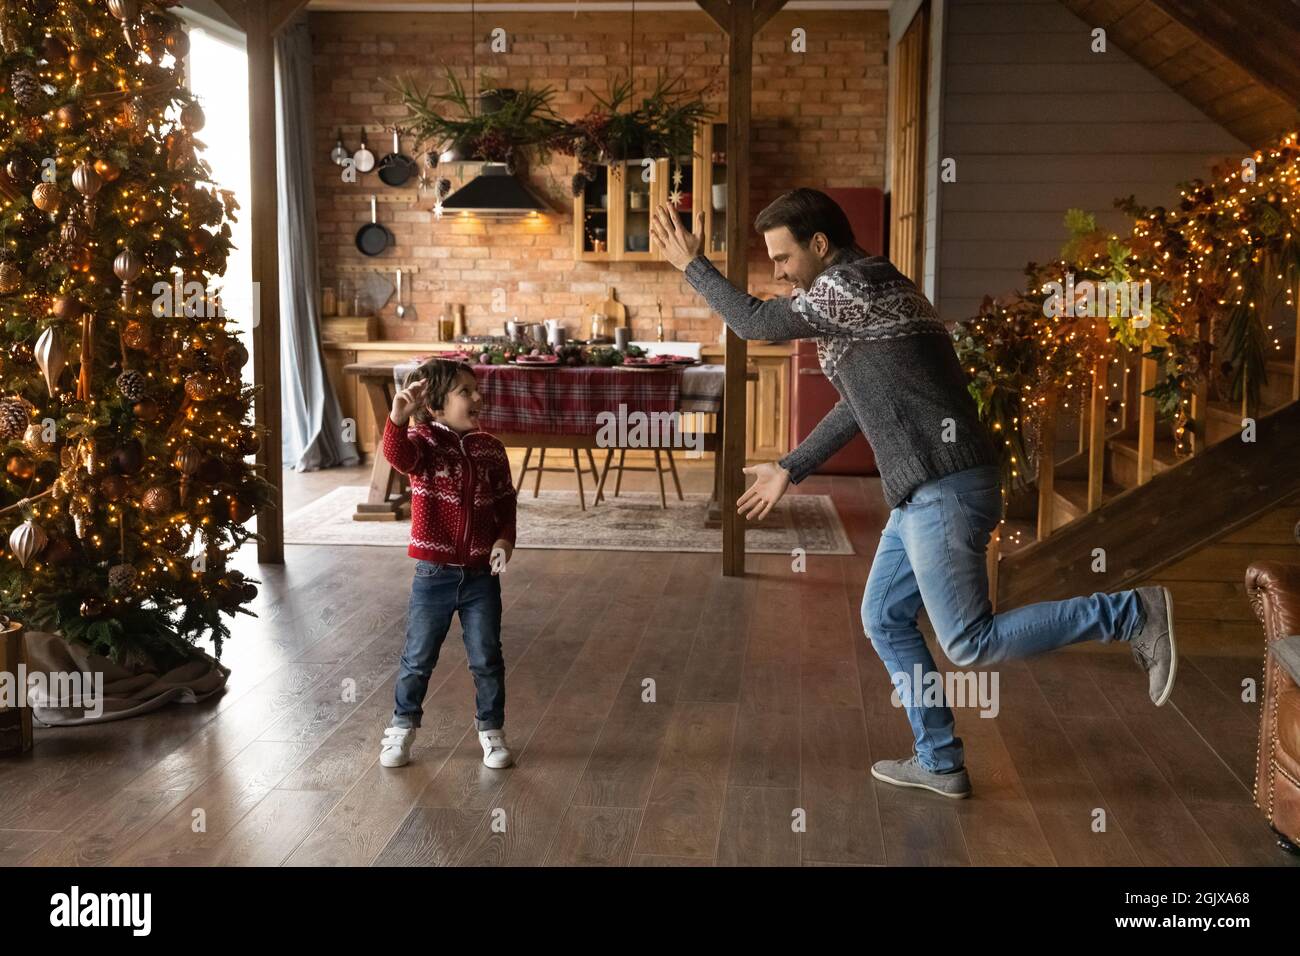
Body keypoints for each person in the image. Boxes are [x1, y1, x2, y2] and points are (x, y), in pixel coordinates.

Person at [650, 190, 1176, 799]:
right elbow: (857, 405)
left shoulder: (850, 286)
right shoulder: (873, 285)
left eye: (783, 257)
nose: (778, 272)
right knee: (884, 617)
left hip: (943, 487)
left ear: (820, 246)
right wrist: (791, 467)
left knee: (968, 642)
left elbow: (753, 323)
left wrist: (692, 264)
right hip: (925, 488)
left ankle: (1133, 613)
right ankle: (940, 760)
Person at [377, 359, 518, 770]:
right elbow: (397, 455)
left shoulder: (491, 448)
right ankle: (401, 728)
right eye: (465, 392)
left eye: (477, 389)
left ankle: (492, 731)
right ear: (436, 406)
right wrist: (397, 419)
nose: (477, 397)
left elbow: (506, 500)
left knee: (487, 658)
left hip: (481, 576)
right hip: (433, 574)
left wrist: (505, 540)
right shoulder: (421, 443)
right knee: (418, 658)